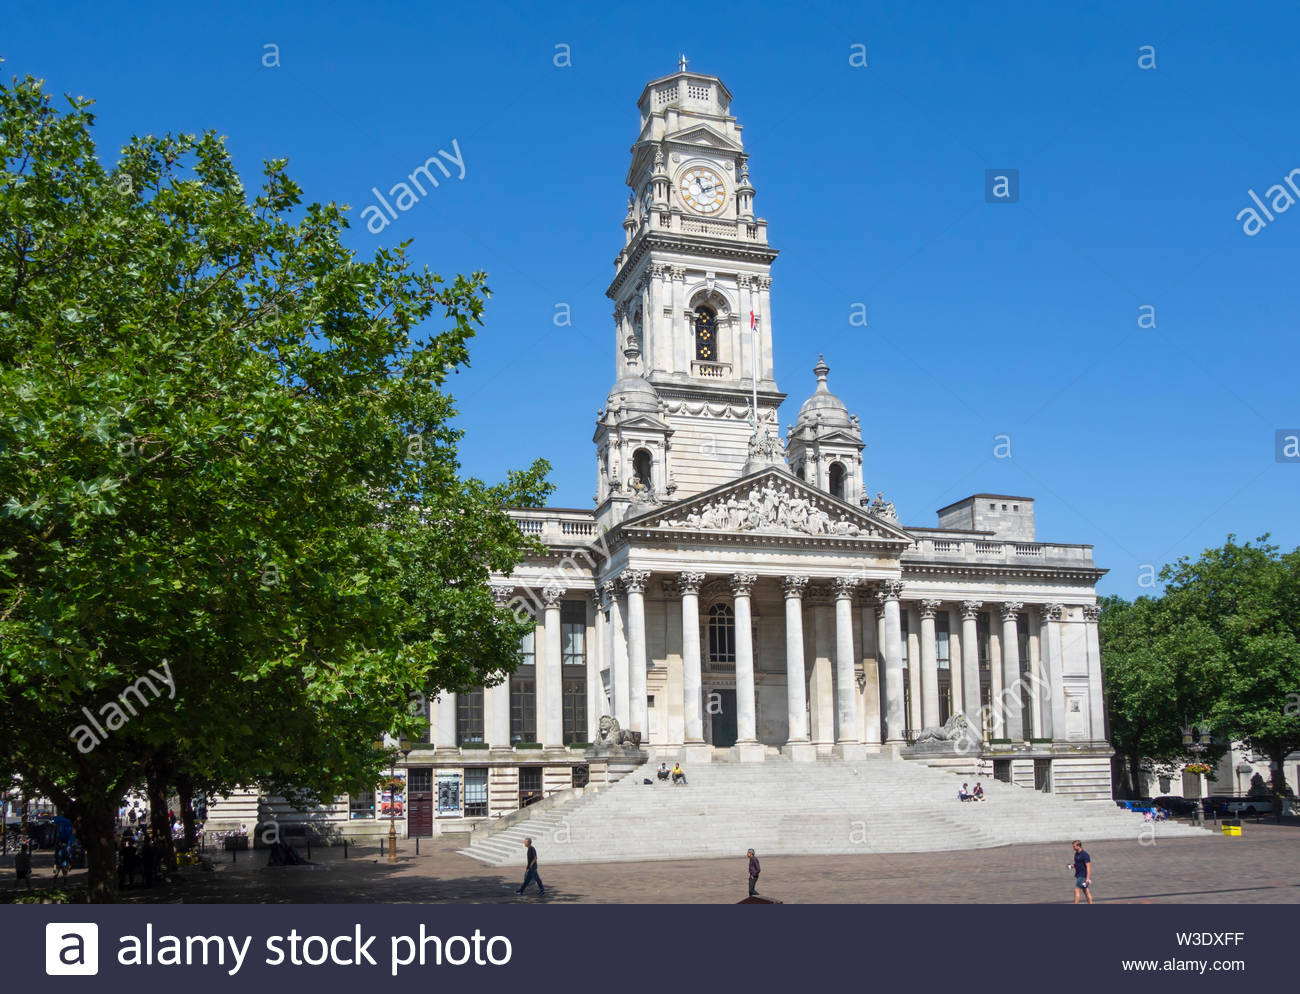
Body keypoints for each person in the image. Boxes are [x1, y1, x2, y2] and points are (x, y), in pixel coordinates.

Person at [1070, 840, 1093, 904]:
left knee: (1076, 890)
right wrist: (1072, 866)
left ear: (1079, 846)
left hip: (1082, 876)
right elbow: (1078, 864)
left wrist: (1087, 878)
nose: (1073, 848)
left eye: (1074, 846)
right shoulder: (1076, 854)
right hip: (1079, 874)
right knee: (1086, 891)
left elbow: (1088, 867)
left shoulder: (1085, 855)